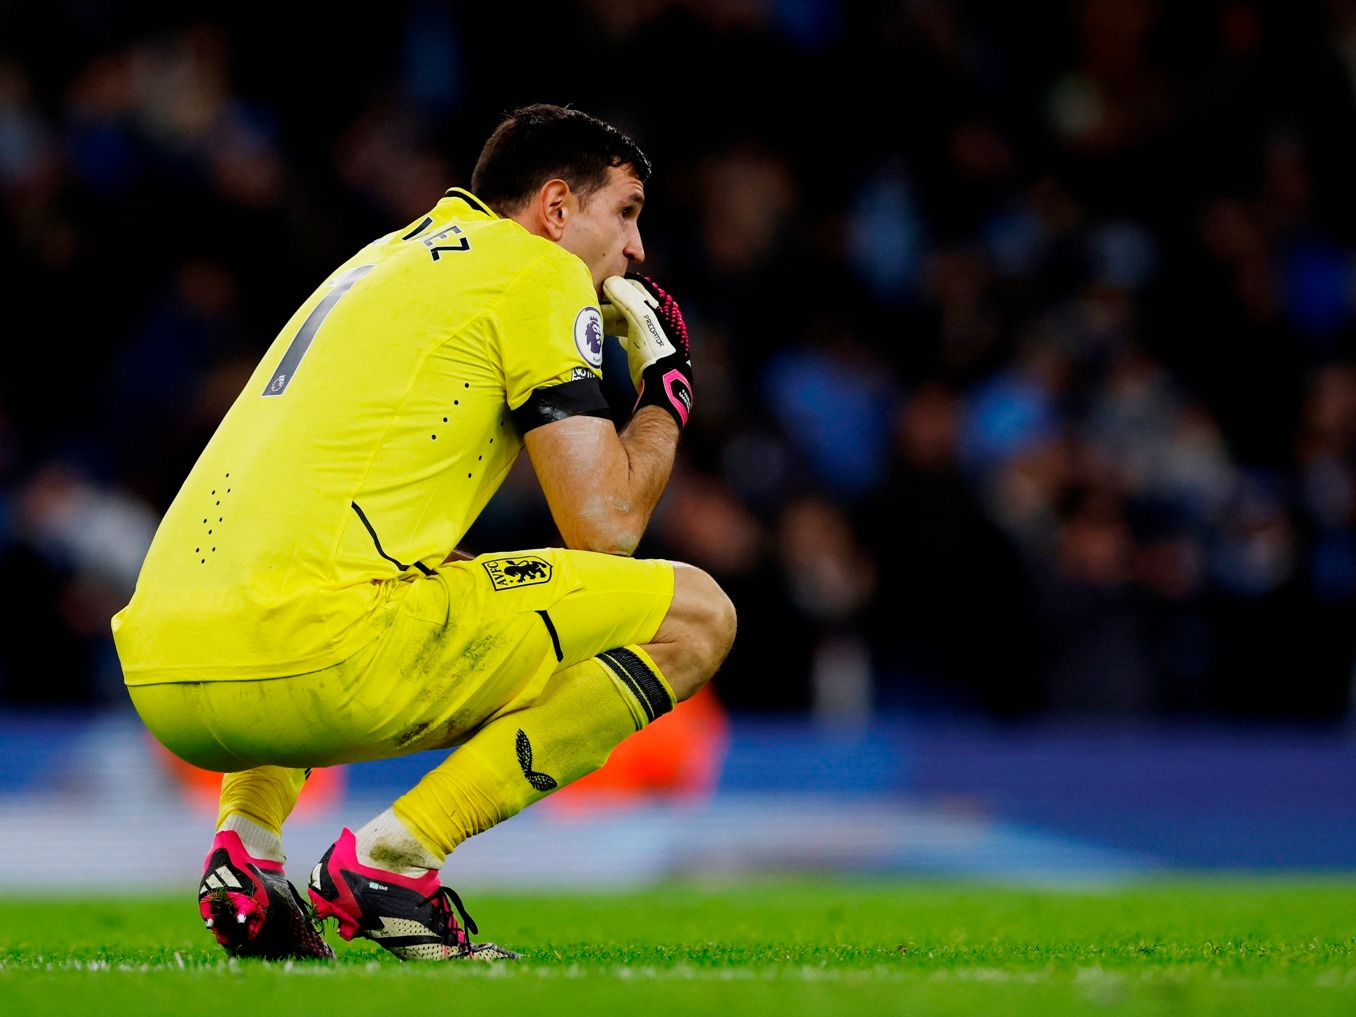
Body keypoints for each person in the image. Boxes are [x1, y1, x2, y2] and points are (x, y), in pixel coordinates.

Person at [111, 103, 736, 962]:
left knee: (412, 571)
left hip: (162, 672)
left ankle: (247, 845)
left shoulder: (376, 259)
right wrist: (666, 389)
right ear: (556, 209)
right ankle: (395, 860)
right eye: (624, 212)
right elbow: (605, 527)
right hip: (314, 657)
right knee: (698, 613)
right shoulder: (535, 272)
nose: (636, 249)